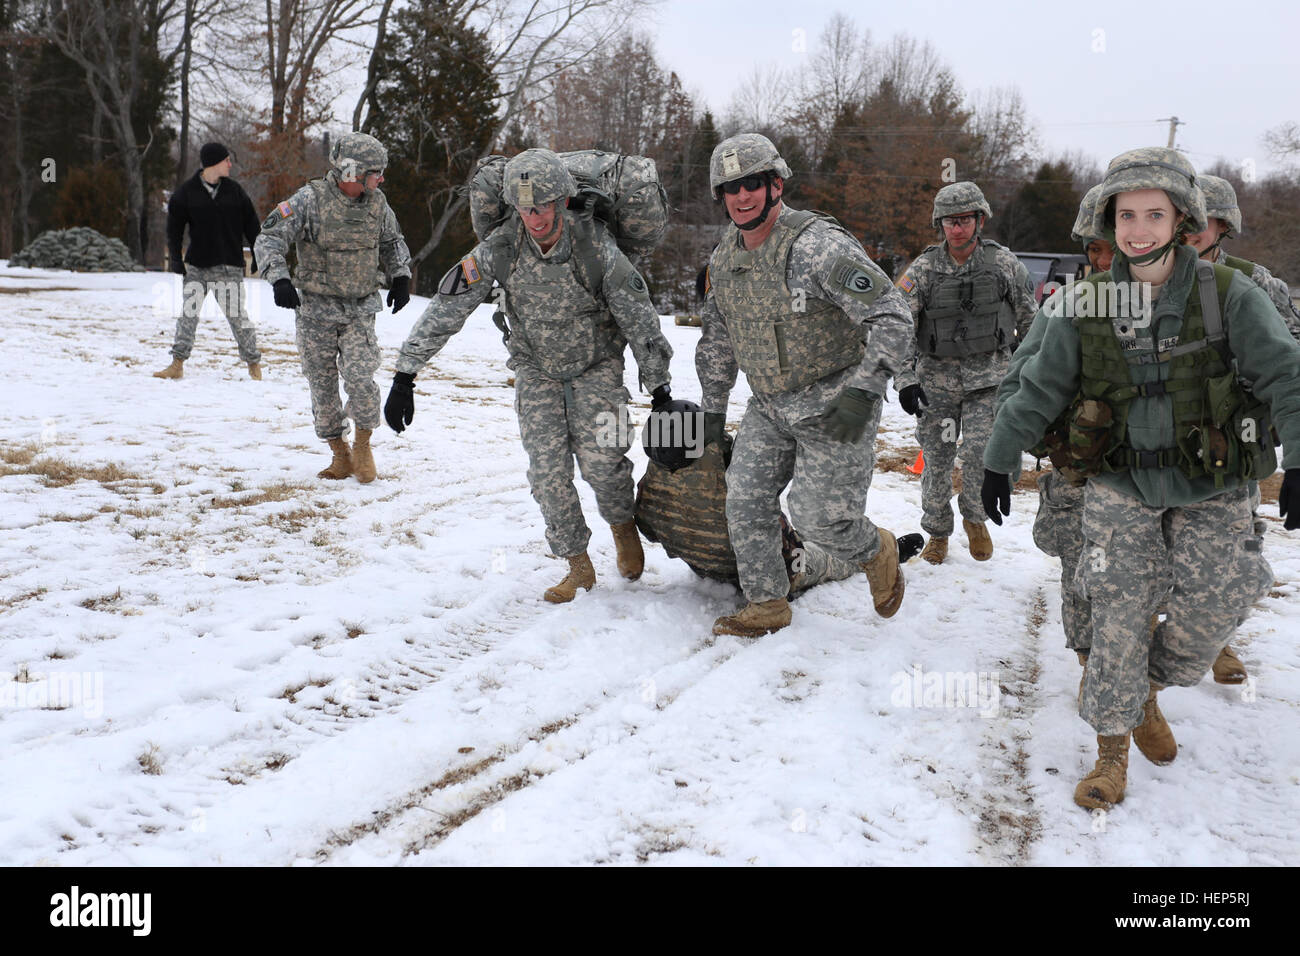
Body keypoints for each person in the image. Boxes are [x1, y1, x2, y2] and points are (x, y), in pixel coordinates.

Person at [980, 148, 1300, 810]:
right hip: (1119, 485)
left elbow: (1285, 376)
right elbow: (1037, 385)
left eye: (1155, 214)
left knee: (1226, 596)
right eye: (1127, 214)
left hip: (1211, 484)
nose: (1138, 228)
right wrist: (997, 457)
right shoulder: (1086, 301)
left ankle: (1146, 684)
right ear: (1109, 221)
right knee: (1116, 613)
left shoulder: (1231, 295)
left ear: (1183, 220)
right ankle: (1110, 755)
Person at [384, 148, 673, 603]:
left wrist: (660, 390)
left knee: (605, 464)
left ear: (561, 201)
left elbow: (639, 318)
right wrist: (406, 374)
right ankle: (577, 564)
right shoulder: (501, 246)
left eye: (541, 206)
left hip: (598, 367)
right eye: (524, 208)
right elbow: (447, 307)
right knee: (546, 472)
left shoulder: (595, 245)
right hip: (535, 368)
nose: (533, 217)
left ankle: (622, 527)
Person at [695, 133, 915, 637]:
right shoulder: (724, 262)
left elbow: (892, 315)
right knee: (744, 500)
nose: (742, 197)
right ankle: (768, 603)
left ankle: (877, 550)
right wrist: (711, 413)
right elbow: (718, 340)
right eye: (730, 188)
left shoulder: (816, 246)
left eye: (752, 183)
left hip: (836, 401)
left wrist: (866, 390)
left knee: (821, 522)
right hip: (771, 404)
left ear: (776, 185)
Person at [1185, 174, 1300, 683]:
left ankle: (1219, 641)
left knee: (1234, 555)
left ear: (1223, 226)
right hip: (1155, 440)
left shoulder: (1258, 283)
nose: (1190, 229)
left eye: (1202, 220)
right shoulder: (1142, 278)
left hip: (1235, 443)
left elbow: (1290, 362)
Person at [255, 132, 412, 484]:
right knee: (322, 384)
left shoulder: (378, 203)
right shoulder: (309, 200)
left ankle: (363, 444)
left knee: (360, 376)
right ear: (352, 171)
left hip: (359, 308)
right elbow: (269, 238)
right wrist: (279, 279)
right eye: (376, 172)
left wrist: (400, 275)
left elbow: (392, 241)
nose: (381, 178)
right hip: (315, 311)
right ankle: (339, 454)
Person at [894, 182, 1037, 565]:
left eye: (964, 221)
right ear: (939, 224)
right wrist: (905, 379)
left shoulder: (1004, 265)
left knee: (980, 452)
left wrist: (1029, 377)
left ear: (980, 220)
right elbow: (898, 325)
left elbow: (1031, 323)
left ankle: (975, 517)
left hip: (989, 379)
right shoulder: (923, 269)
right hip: (935, 383)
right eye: (948, 222)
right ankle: (937, 532)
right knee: (936, 459)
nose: (956, 229)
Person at [999, 186, 1110, 675]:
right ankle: (1092, 667)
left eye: (1111, 245)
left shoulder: (1182, 304)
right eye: (1094, 248)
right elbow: (1018, 382)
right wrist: (1014, 445)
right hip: (1080, 469)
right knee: (1080, 573)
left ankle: (1134, 674)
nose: (1104, 258)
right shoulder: (1065, 306)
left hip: (1152, 477)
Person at [154, 142, 263, 380]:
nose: (230, 164)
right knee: (188, 316)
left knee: (238, 318)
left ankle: (254, 365)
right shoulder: (186, 193)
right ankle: (177, 364)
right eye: (227, 160)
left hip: (229, 267)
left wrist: (258, 254)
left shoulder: (235, 191)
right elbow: (174, 230)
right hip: (197, 267)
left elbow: (252, 225)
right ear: (214, 163)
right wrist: (175, 258)